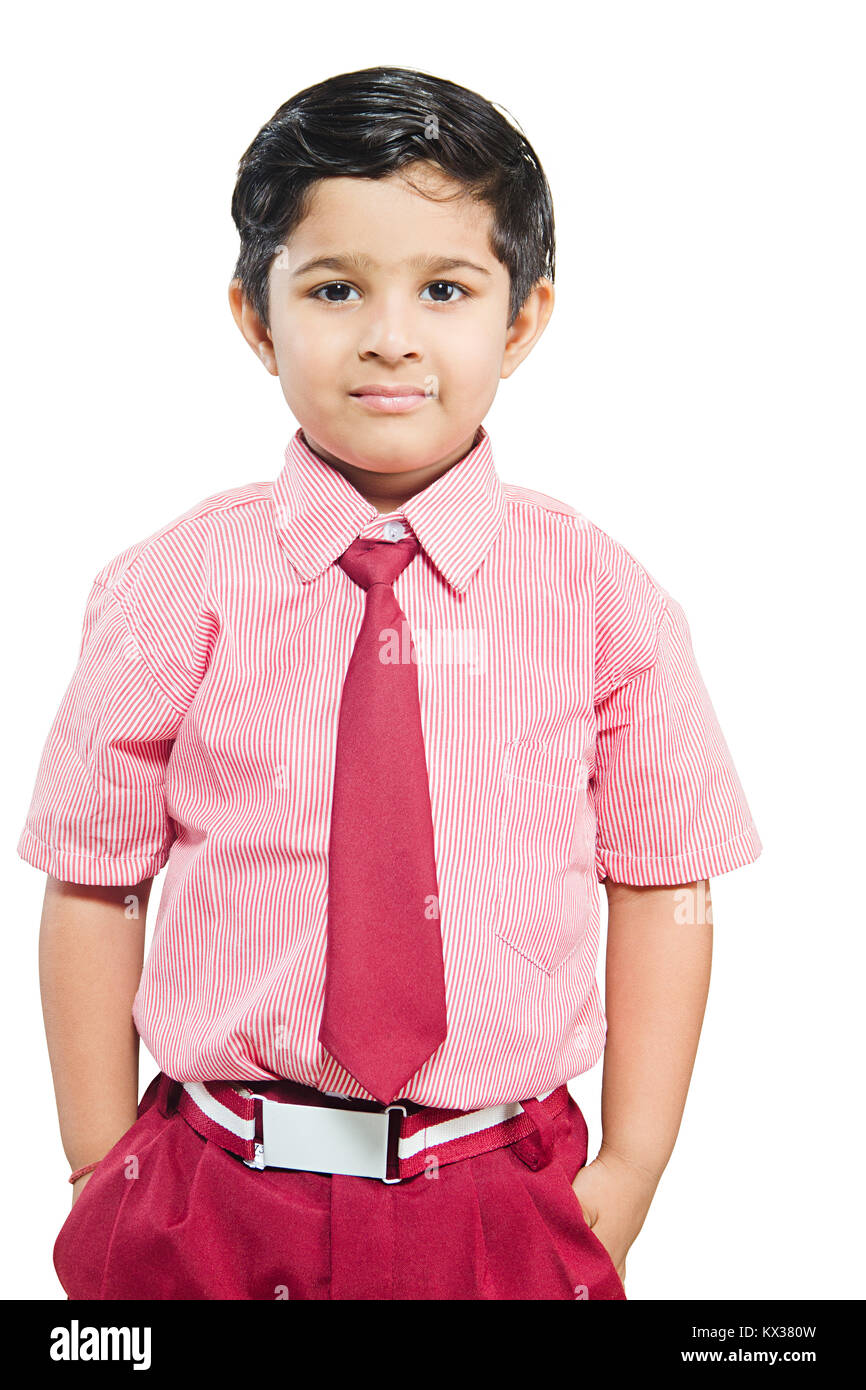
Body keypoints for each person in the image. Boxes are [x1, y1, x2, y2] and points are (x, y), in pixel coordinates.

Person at [18, 65, 762, 1301]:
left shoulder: (598, 597)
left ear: (519, 320)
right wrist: (100, 1167)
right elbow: (93, 878)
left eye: (443, 288)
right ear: (257, 319)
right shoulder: (172, 585)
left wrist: (627, 1169)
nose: (388, 334)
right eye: (333, 287)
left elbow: (662, 881)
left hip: (495, 1191)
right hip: (213, 1183)